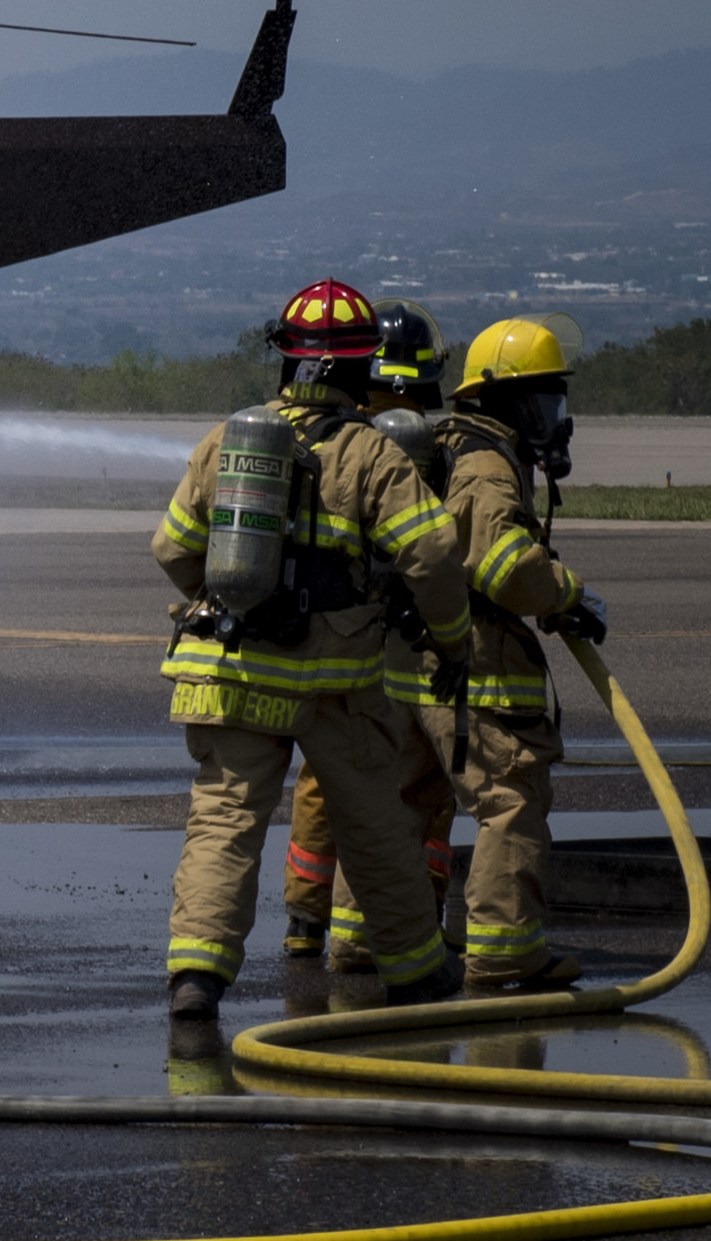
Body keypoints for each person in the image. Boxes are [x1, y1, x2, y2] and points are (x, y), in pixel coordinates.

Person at [154, 279, 474, 1020]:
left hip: (229, 673)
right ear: (362, 370)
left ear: (287, 361)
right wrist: (450, 642)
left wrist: (227, 592)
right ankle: (417, 971)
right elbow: (430, 554)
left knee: (224, 818)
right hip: (334, 682)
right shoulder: (369, 453)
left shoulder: (229, 439)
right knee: (372, 821)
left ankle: (195, 978)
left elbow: (170, 546)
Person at [420, 314, 600, 988]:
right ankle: (503, 950)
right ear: (500, 400)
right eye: (541, 403)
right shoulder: (487, 467)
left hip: (422, 663)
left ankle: (374, 944)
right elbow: (501, 565)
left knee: (404, 803)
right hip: (476, 665)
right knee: (508, 799)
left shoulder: (460, 450)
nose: (552, 420)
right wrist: (565, 590)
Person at [283, 300, 458, 970]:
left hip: (336, 628)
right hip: (395, 634)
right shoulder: (396, 443)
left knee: (321, 779)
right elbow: (436, 549)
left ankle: (305, 922)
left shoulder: (334, 434)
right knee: (406, 780)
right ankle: (390, 928)